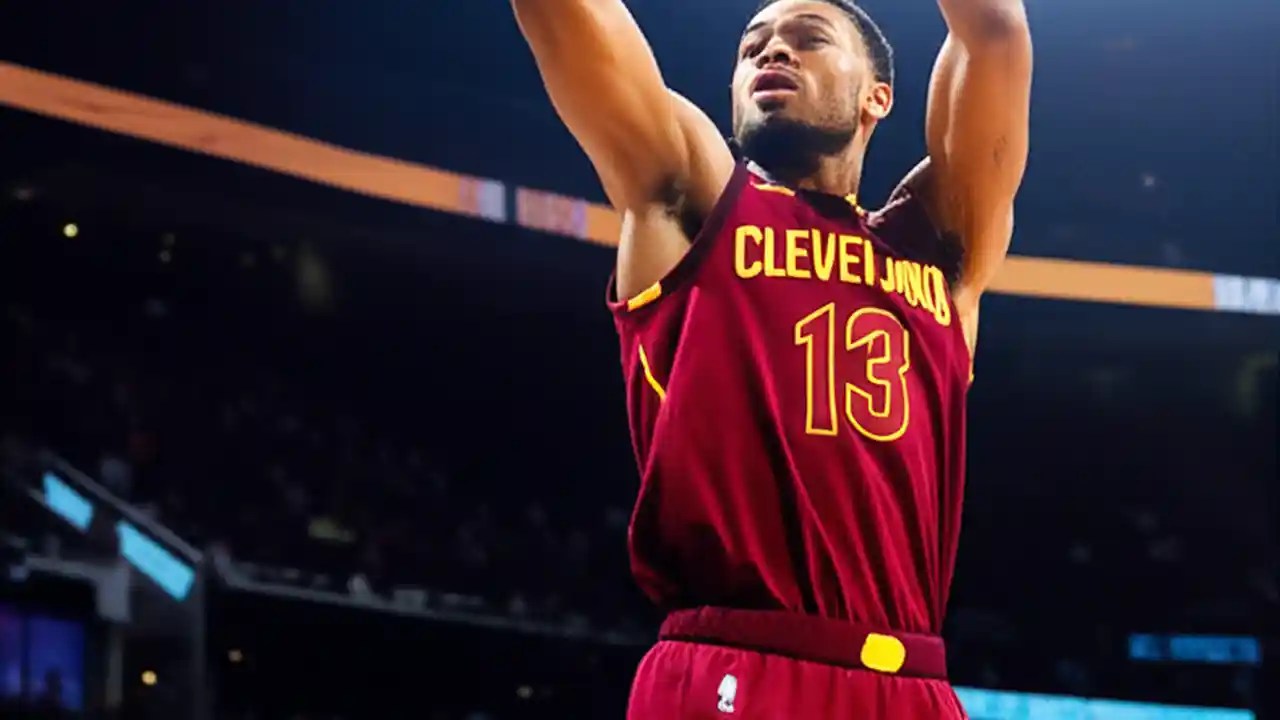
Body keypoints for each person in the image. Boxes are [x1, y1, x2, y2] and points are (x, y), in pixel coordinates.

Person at [512, 0, 1031, 716]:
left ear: (878, 95)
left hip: (912, 680)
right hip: (735, 660)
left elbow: (996, 30)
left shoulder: (941, 243)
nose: (771, 53)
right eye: (752, 45)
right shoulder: (694, 196)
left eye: (807, 39)